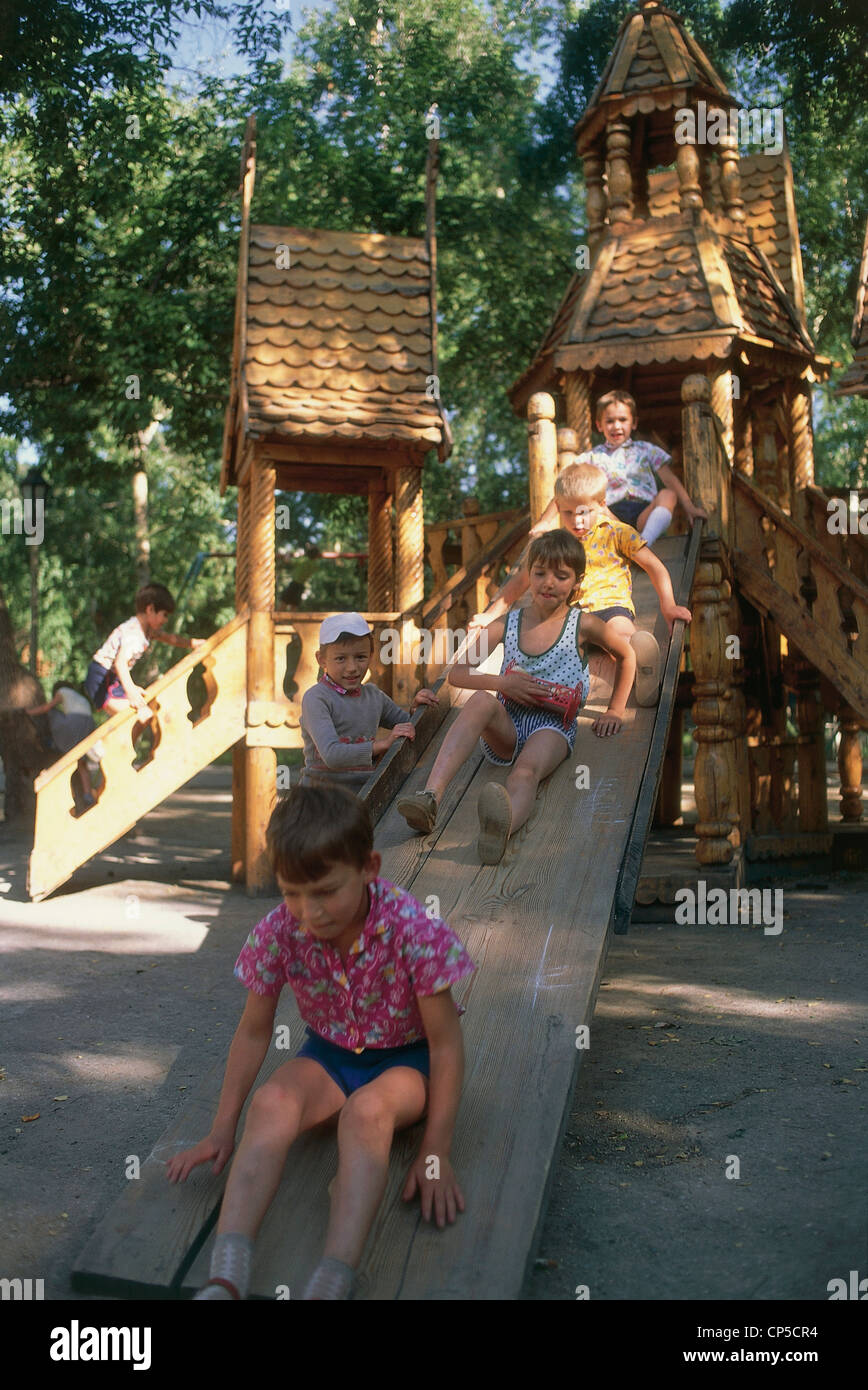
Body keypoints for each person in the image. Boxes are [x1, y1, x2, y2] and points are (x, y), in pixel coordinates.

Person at [166, 784, 474, 1301]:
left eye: (326, 891)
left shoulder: (414, 931)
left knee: (366, 1114)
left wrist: (435, 1151)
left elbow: (446, 1046)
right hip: (329, 1055)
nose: (310, 912)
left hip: (406, 1061)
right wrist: (222, 1127)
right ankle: (226, 1276)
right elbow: (253, 1029)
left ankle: (332, 1281)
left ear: (370, 868)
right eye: (291, 893)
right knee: (272, 1102)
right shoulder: (279, 930)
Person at [397, 529, 636, 865]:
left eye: (561, 575)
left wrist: (615, 709)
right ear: (528, 577)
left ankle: (499, 830)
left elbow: (627, 655)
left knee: (525, 773)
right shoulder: (507, 623)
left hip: (552, 727)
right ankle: (430, 797)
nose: (548, 582)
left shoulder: (583, 624)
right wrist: (503, 684)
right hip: (508, 723)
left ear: (577, 584)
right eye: (539, 573)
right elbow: (458, 672)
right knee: (480, 700)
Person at [471, 463, 693, 707]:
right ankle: (540, 686)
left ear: (601, 504)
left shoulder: (617, 532)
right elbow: (522, 579)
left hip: (611, 605)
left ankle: (644, 666)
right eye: (567, 513)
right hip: (570, 616)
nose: (576, 520)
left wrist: (668, 605)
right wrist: (491, 614)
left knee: (620, 634)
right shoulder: (558, 543)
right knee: (547, 648)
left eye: (584, 512)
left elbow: (655, 567)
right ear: (557, 508)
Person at [536, 390, 706, 546]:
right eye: (610, 421)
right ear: (599, 425)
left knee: (668, 495)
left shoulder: (646, 450)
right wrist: (544, 522)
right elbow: (565, 490)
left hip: (643, 515)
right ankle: (607, 544)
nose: (616, 426)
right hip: (610, 516)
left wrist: (690, 508)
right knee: (584, 502)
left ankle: (644, 542)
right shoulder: (591, 457)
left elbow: (670, 480)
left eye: (623, 420)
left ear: (634, 423)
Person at [300, 612, 438, 791]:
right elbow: (332, 755)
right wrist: (383, 744)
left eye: (360, 657)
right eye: (341, 658)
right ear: (321, 660)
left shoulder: (374, 696)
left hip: (367, 792)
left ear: (371, 656)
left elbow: (409, 726)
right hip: (320, 795)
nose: (352, 668)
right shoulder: (316, 698)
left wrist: (416, 709)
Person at [83, 583, 202, 716]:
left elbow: (170, 638)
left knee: (145, 713)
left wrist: (193, 643)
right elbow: (120, 663)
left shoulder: (146, 630)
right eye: (164, 614)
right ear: (150, 609)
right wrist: (131, 692)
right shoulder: (134, 635)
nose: (166, 620)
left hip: (111, 678)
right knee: (138, 716)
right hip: (101, 678)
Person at [19, 681, 98, 808]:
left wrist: (28, 712)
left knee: (52, 713)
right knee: (81, 761)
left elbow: (46, 708)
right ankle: (87, 794)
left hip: (76, 722)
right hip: (89, 724)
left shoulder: (62, 692)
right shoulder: (78, 697)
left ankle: (53, 742)